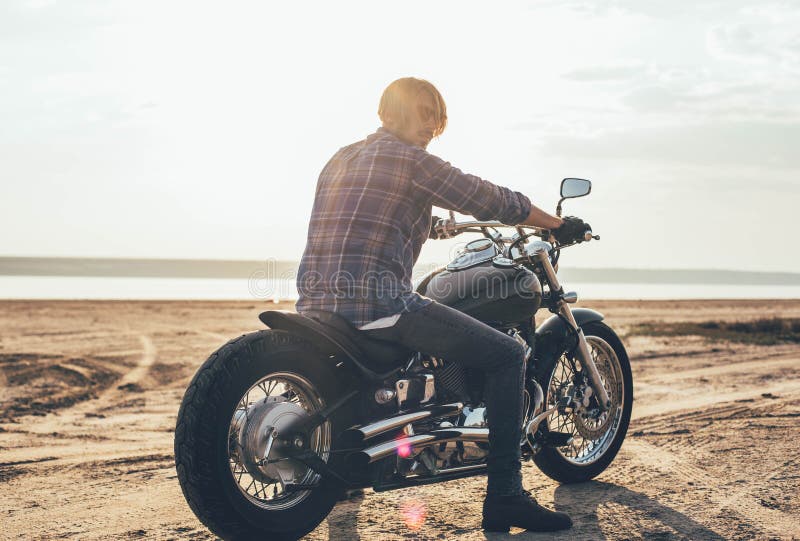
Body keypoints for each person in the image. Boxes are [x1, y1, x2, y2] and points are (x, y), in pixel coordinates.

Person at [296, 77, 584, 532]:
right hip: (379, 302)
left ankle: (345, 475)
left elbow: (369, 211)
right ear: (390, 112)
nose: (430, 124)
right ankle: (507, 495)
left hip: (315, 302)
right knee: (509, 355)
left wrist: (431, 226)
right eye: (421, 112)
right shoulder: (414, 162)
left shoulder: (342, 158)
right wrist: (556, 223)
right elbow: (489, 198)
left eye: (436, 116)